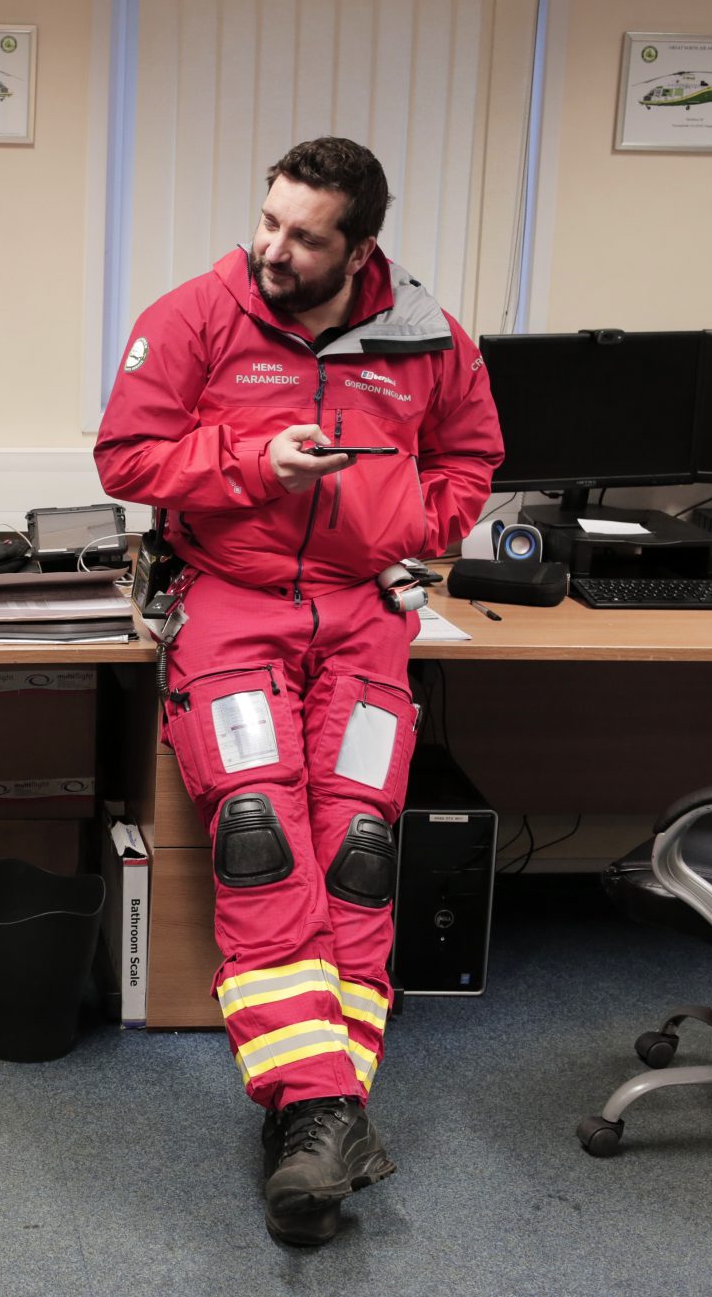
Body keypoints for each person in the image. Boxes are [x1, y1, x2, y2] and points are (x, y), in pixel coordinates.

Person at [94, 137, 503, 1244]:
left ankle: (315, 1111)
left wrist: (418, 529)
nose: (273, 248)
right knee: (258, 827)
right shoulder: (194, 315)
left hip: (363, 609)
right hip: (230, 600)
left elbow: (471, 455)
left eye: (303, 235)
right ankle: (321, 1111)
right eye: (267, 221)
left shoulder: (425, 339)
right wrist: (248, 462)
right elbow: (124, 459)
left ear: (357, 246)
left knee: (359, 847)